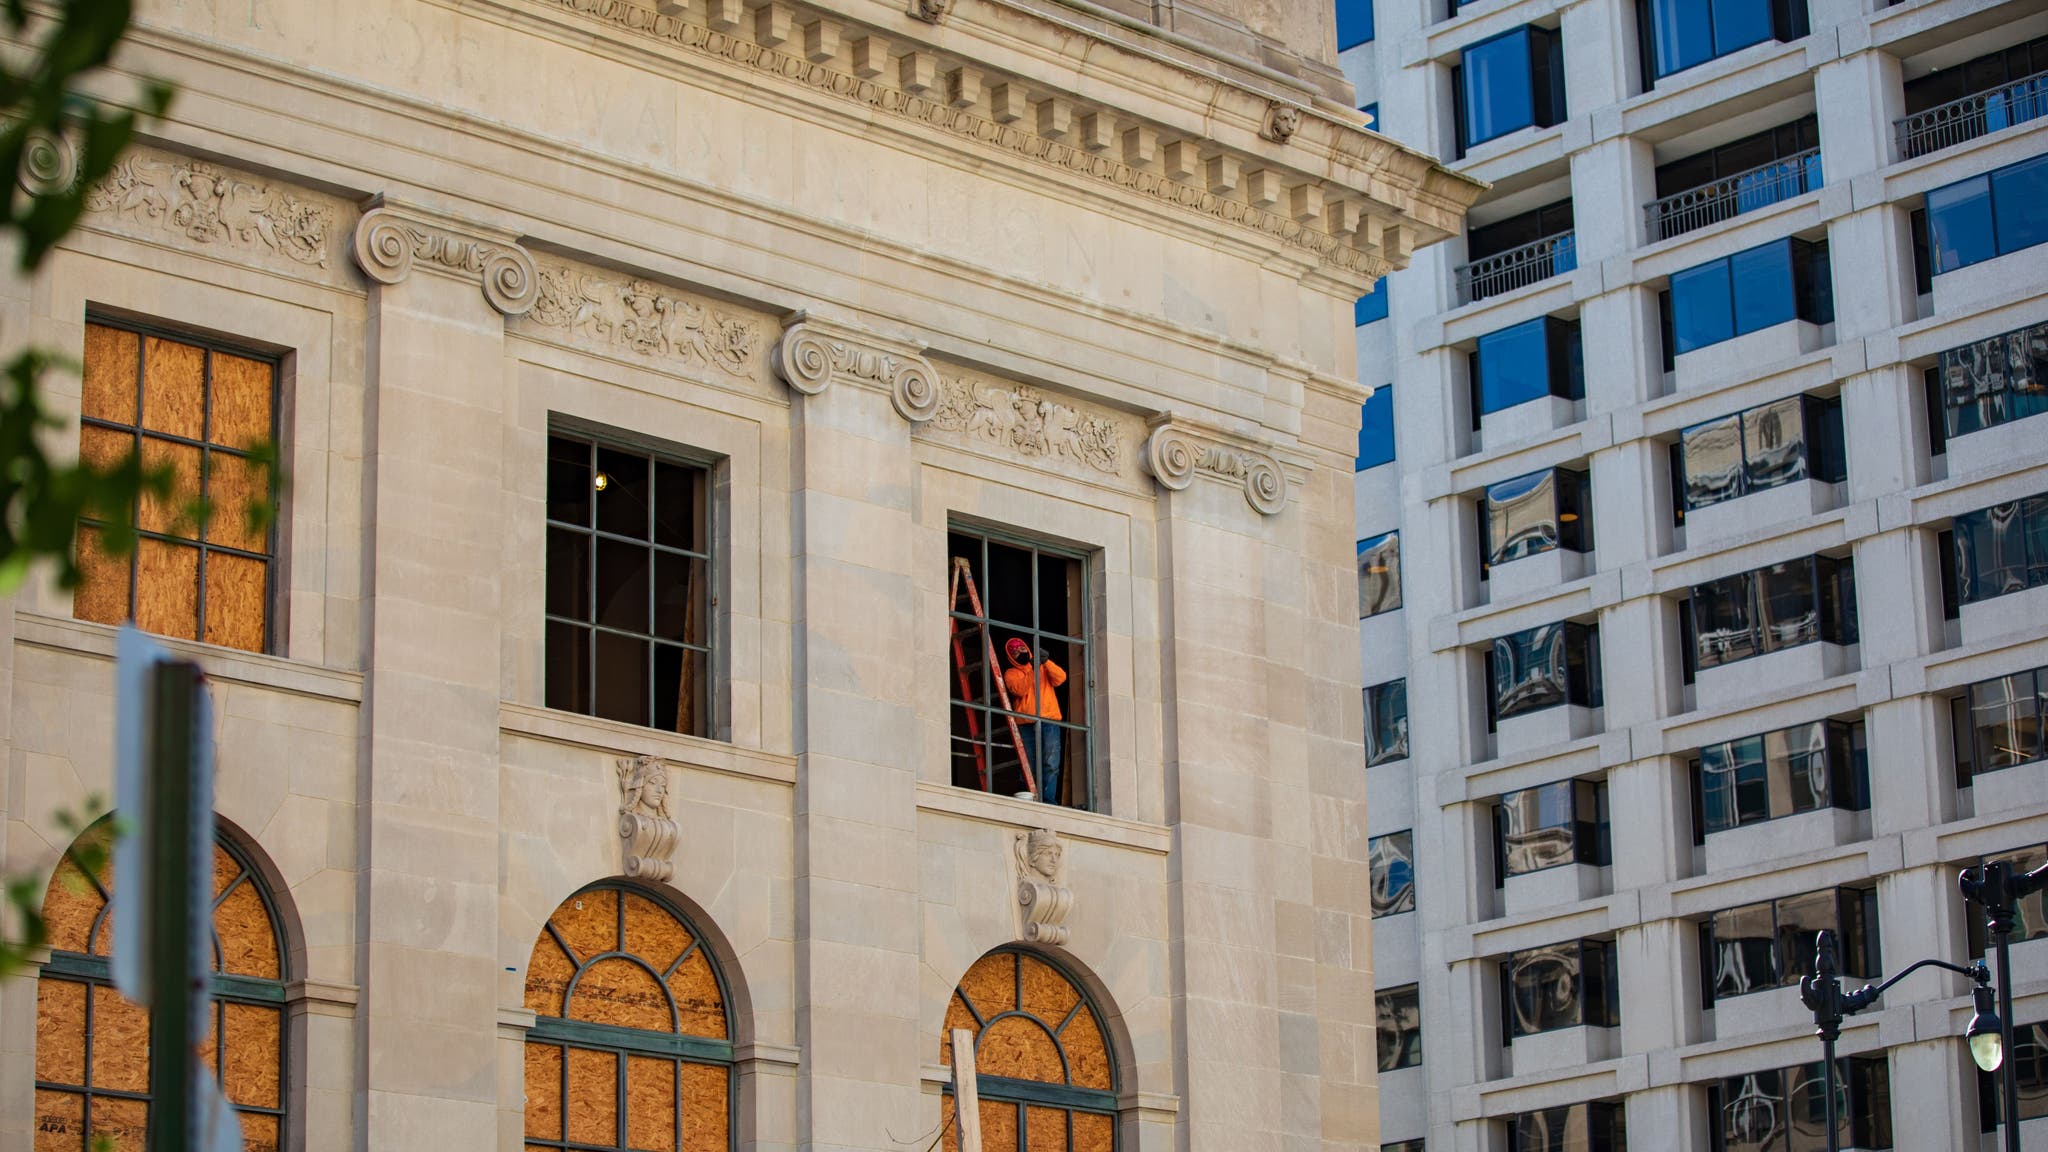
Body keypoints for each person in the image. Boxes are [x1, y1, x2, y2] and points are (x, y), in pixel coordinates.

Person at [1001, 637, 1067, 803]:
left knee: (1050, 763)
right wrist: (1035, 666)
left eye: (1021, 648)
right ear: (1010, 657)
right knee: (1028, 764)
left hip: (1049, 721)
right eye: (1014, 652)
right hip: (1026, 724)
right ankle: (1028, 799)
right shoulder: (1011, 673)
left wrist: (1046, 662)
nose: (1019, 652)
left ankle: (1048, 800)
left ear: (1028, 649)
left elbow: (1061, 678)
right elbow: (1020, 689)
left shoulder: (1044, 667)